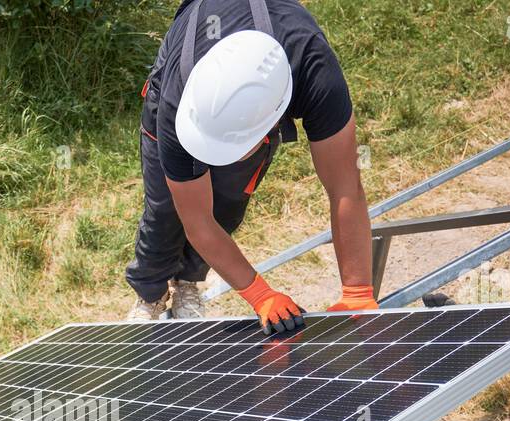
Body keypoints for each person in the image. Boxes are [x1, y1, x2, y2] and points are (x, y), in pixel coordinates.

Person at [126, 0, 378, 326]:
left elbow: (345, 186)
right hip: (177, 93)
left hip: (266, 90)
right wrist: (260, 294)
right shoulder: (178, 108)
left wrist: (357, 291)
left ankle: (187, 279)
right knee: (164, 208)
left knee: (227, 205)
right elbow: (196, 220)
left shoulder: (312, 66)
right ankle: (150, 292)